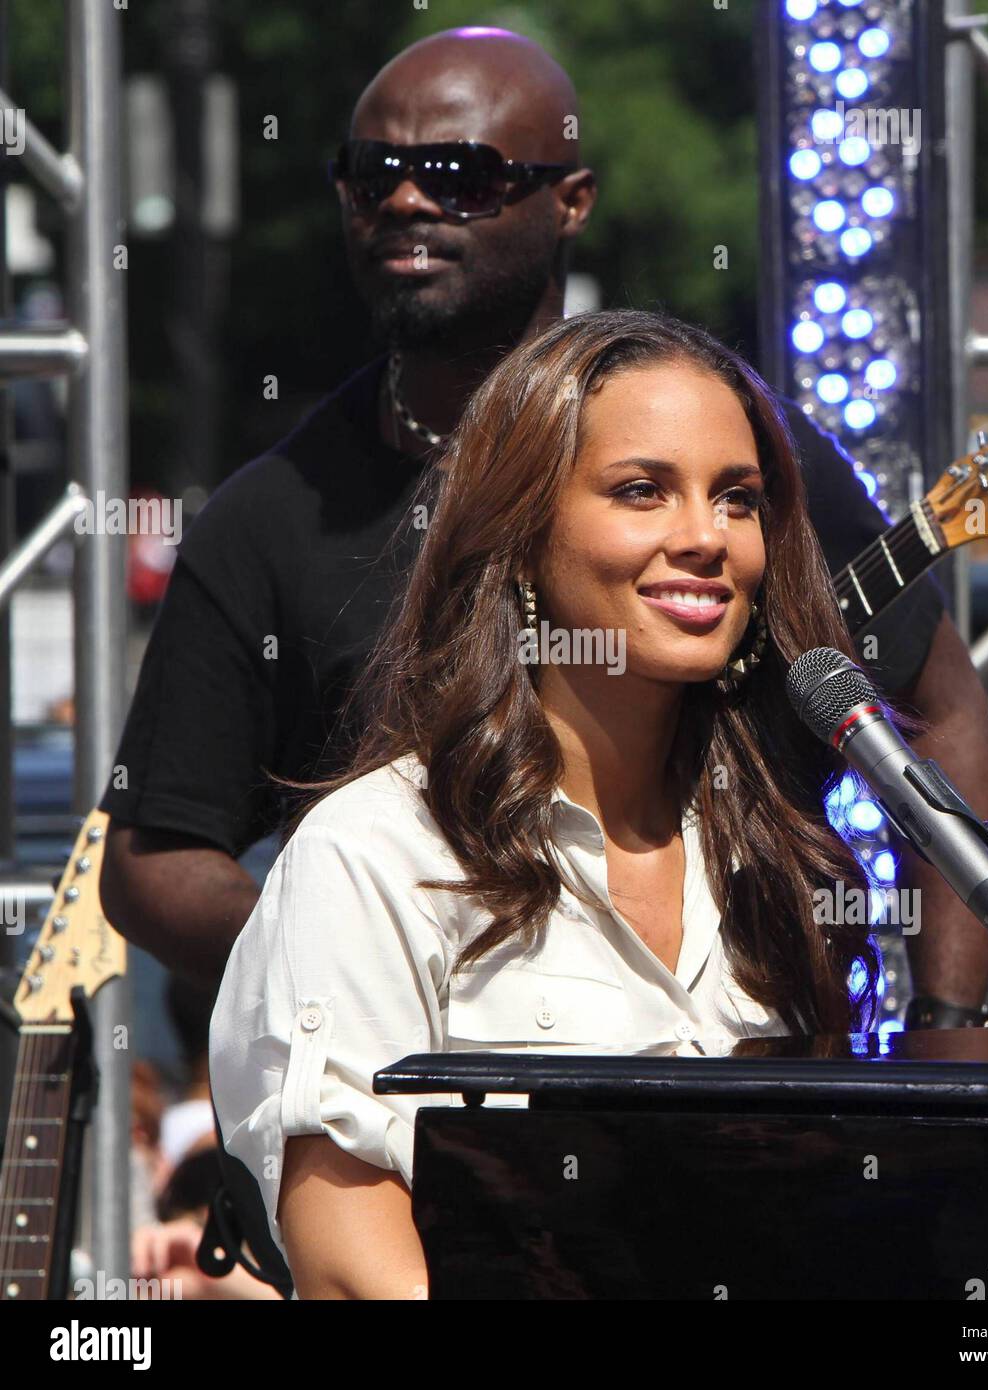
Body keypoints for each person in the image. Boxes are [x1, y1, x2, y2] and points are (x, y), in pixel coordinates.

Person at [102, 27, 988, 1028]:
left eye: (459, 174)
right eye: (372, 176)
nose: (406, 200)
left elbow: (940, 708)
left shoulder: (725, 447)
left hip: (741, 1076)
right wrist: (370, 956)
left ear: (570, 200)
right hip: (422, 1119)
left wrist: (950, 1018)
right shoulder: (267, 516)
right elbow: (153, 862)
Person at [209, 309, 888, 1299]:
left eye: (736, 499)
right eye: (641, 491)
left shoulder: (774, 858)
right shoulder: (373, 854)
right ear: (520, 531)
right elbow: (356, 1271)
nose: (703, 537)